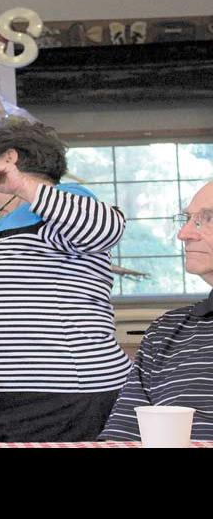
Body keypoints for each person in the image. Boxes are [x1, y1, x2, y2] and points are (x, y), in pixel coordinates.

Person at [0, 118, 131, 442]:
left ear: (8, 160)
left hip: (62, 396)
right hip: (20, 403)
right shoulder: (6, 225)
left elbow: (107, 227)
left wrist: (23, 186)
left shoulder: (61, 201)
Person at [98, 181, 213, 441]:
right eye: (187, 219)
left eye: (207, 219)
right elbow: (121, 438)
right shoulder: (167, 330)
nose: (183, 234)